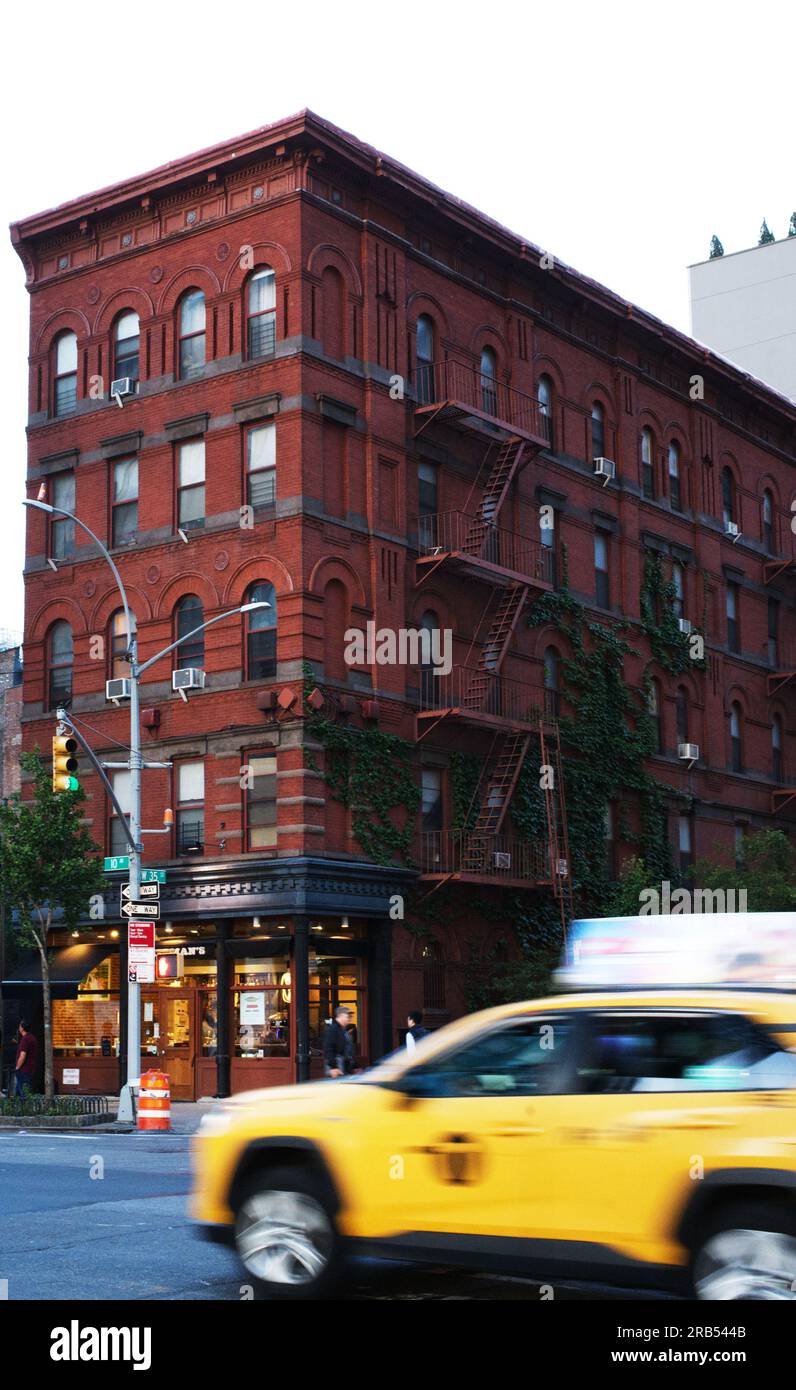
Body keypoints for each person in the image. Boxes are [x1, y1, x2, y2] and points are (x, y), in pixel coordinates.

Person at [323, 1004, 354, 1078]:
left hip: (344, 1066)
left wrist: (355, 1065)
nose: (350, 1018)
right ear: (341, 1016)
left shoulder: (343, 1030)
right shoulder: (333, 1029)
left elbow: (347, 1050)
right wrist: (333, 1067)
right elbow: (328, 1048)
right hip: (337, 1067)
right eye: (348, 1016)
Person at [14, 1020, 38, 1100]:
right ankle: (15, 1109)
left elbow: (22, 1055)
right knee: (18, 1092)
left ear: (22, 1028)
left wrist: (17, 1067)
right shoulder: (31, 1037)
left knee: (24, 1093)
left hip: (24, 1069)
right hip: (29, 1068)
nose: (19, 1027)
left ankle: (25, 1110)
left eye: (20, 1026)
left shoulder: (26, 1039)